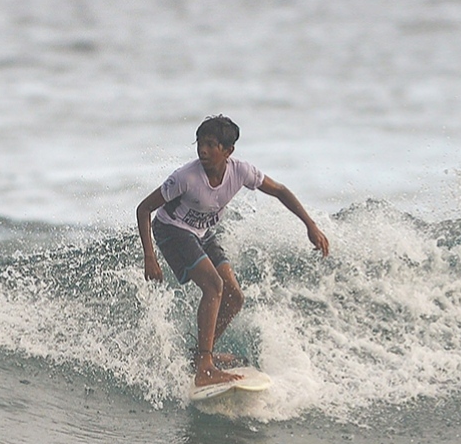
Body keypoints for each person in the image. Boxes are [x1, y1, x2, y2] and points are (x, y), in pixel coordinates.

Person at [136, 115, 329, 387]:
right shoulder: (185, 177)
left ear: (228, 151)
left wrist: (310, 225)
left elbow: (280, 191)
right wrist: (149, 257)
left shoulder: (241, 171)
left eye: (211, 144)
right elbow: (144, 208)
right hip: (172, 230)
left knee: (234, 297)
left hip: (202, 232)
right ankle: (204, 368)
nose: (203, 150)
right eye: (200, 143)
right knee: (213, 286)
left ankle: (201, 355)